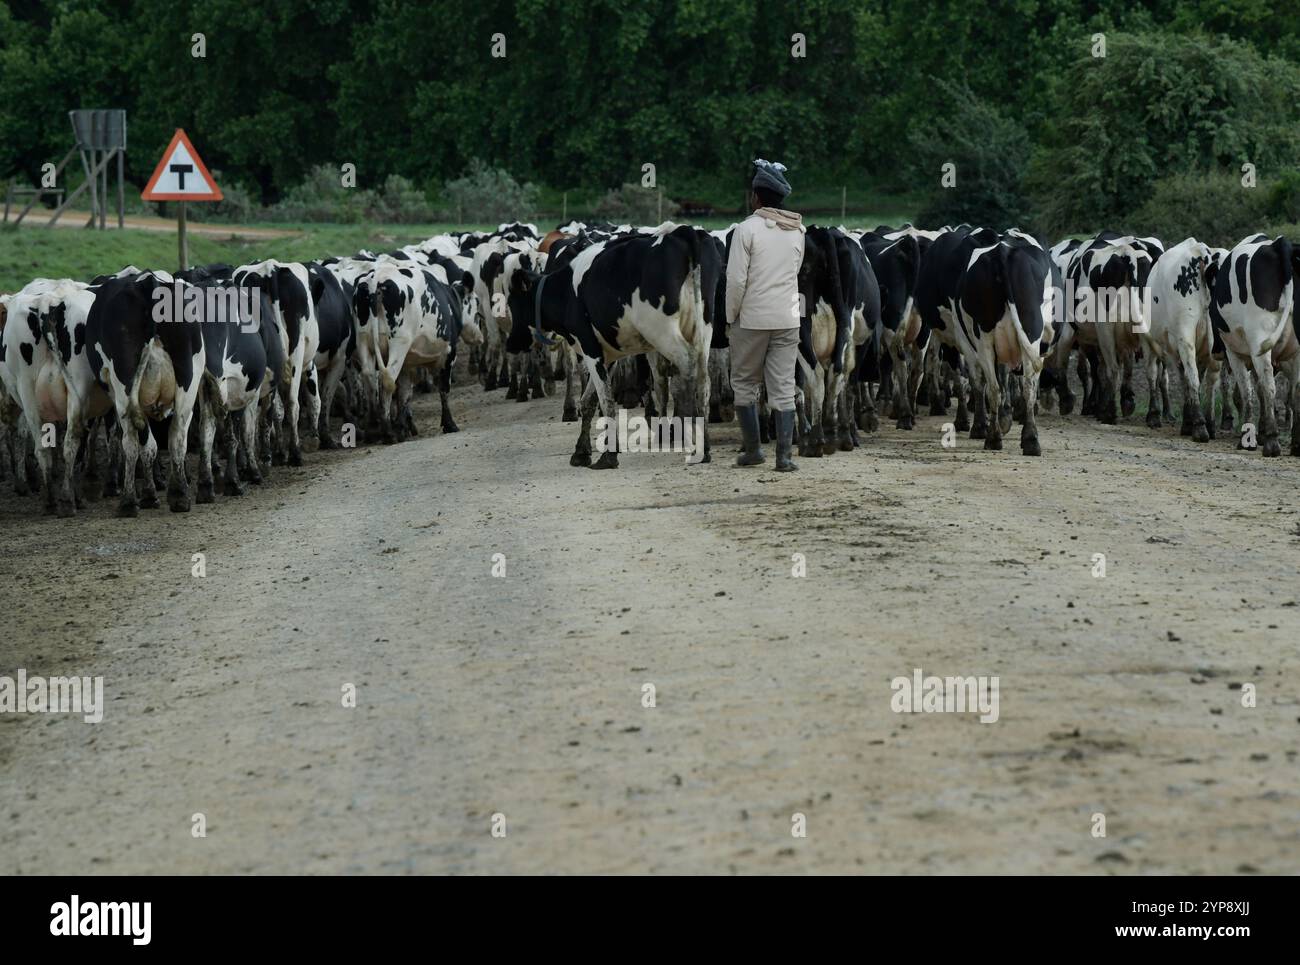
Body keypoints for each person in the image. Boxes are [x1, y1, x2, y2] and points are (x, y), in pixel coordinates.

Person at [724, 158, 805, 471]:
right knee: (783, 386)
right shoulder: (798, 230)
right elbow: (794, 272)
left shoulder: (746, 230)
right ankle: (783, 457)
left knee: (744, 383)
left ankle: (754, 451)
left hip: (752, 319)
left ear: (756, 196)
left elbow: (736, 280)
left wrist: (732, 316)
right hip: (787, 318)